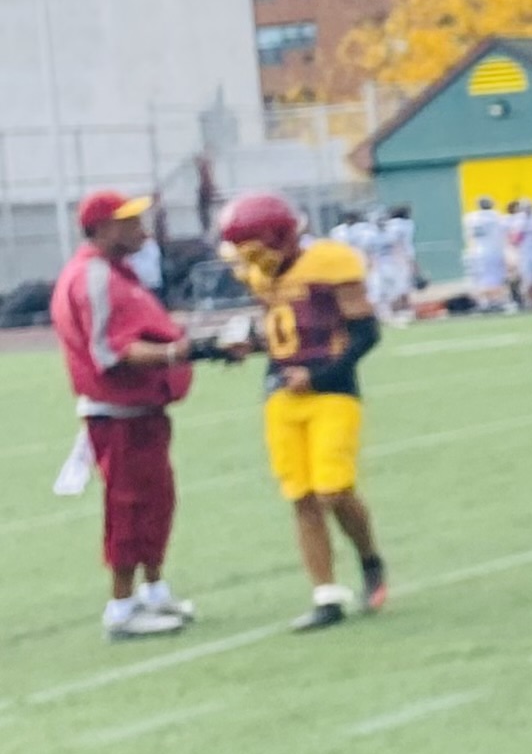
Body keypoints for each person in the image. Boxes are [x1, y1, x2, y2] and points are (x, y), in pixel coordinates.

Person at [215, 191, 389, 629]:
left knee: (334, 489)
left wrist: (320, 375)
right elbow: (283, 329)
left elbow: (367, 333)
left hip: (332, 391)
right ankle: (326, 595)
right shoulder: (259, 275)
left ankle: (369, 559)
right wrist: (250, 344)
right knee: (301, 496)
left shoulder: (330, 263)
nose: (251, 260)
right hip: (280, 394)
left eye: (255, 248)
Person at [51, 188, 199, 638]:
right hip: (119, 415)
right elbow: (110, 351)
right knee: (129, 507)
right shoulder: (95, 277)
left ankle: (152, 591)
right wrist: (177, 352)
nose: (140, 227)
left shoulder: (116, 272)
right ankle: (122, 605)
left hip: (140, 411)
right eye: (129, 220)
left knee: (156, 501)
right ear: (102, 228)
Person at [462, 196, 514, 311]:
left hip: (477, 251)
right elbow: (507, 229)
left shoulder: (471, 218)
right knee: (497, 278)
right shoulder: (496, 217)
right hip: (494, 250)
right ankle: (497, 301)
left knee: (482, 278)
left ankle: (485, 302)